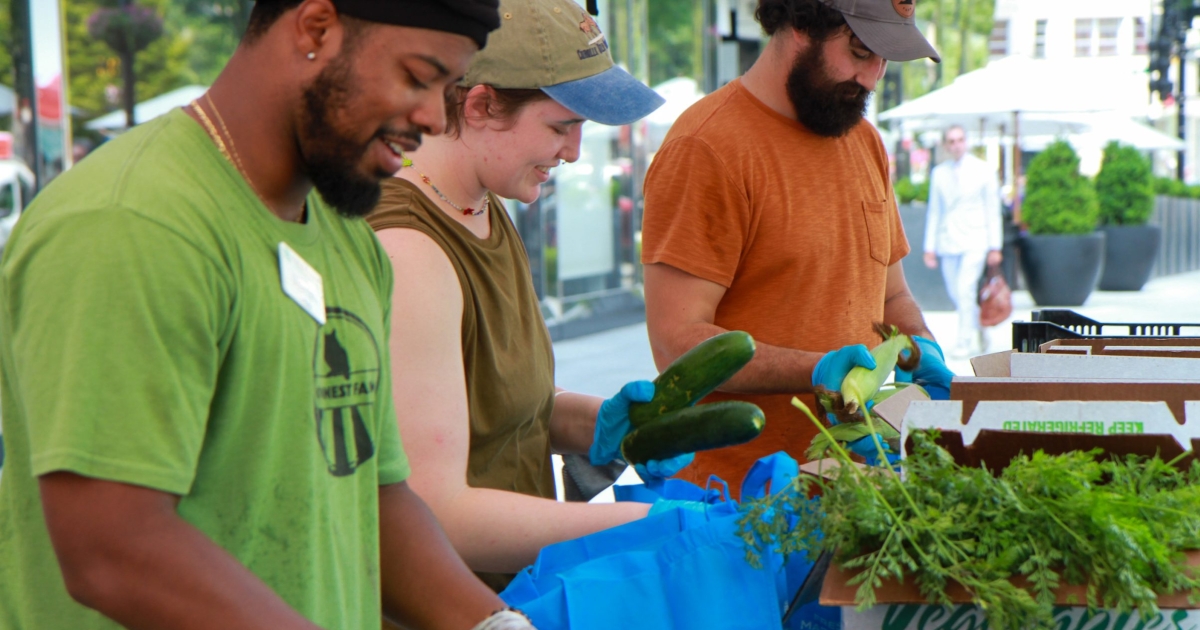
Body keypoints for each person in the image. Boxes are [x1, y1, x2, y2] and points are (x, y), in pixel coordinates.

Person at [0, 1, 538, 629]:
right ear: (315, 28)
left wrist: (497, 625)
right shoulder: (130, 224)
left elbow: (376, 497)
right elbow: (113, 548)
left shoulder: (349, 243)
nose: (430, 117)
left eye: (448, 89)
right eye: (418, 76)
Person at [365, 0, 693, 593]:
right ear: (482, 104)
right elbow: (436, 514)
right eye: (561, 125)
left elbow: (497, 407)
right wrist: (645, 522)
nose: (572, 151)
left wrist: (600, 423)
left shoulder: (482, 203)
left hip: (515, 593)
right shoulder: (408, 250)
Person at [640, 0, 955, 491]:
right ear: (801, 22)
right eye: (858, 51)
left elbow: (891, 297)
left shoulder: (865, 142)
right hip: (739, 504)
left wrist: (921, 347)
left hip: (860, 484)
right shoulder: (706, 147)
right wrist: (814, 370)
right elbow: (675, 343)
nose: (871, 77)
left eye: (883, 60)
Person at [923, 125, 1004, 358]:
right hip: (948, 240)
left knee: (965, 288)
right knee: (956, 293)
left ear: (966, 141)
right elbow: (934, 211)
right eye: (951, 141)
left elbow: (992, 210)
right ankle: (980, 326)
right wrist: (929, 247)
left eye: (959, 140)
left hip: (975, 239)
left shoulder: (984, 170)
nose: (956, 145)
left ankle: (963, 341)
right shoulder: (939, 173)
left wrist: (995, 246)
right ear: (946, 145)